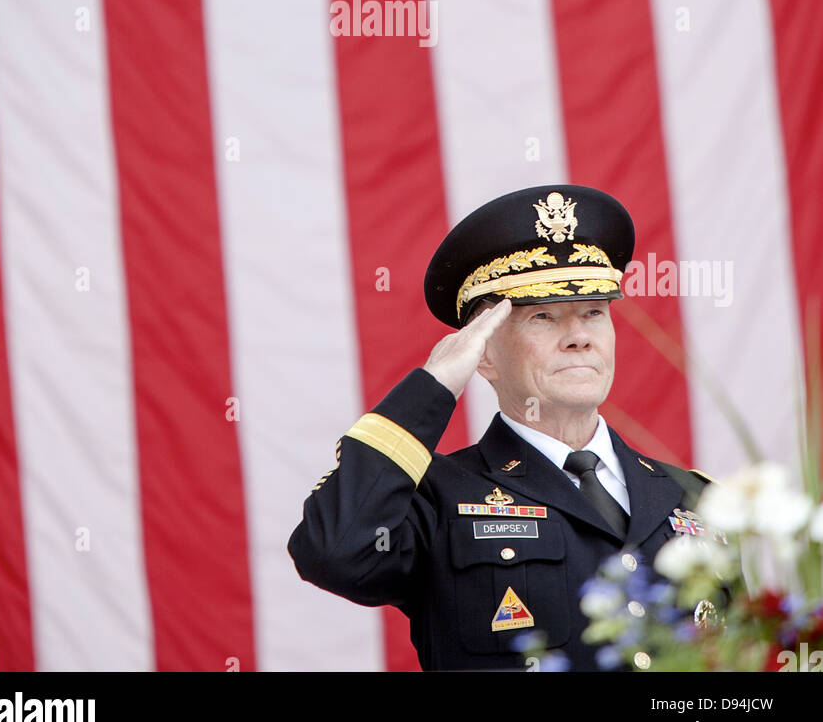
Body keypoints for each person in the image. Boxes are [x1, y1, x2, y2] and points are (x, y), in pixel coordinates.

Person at [287, 185, 714, 671]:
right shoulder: (436, 498)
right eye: (543, 317)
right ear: (483, 353)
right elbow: (334, 551)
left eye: (594, 312)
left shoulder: (695, 499)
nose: (578, 337)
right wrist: (434, 385)